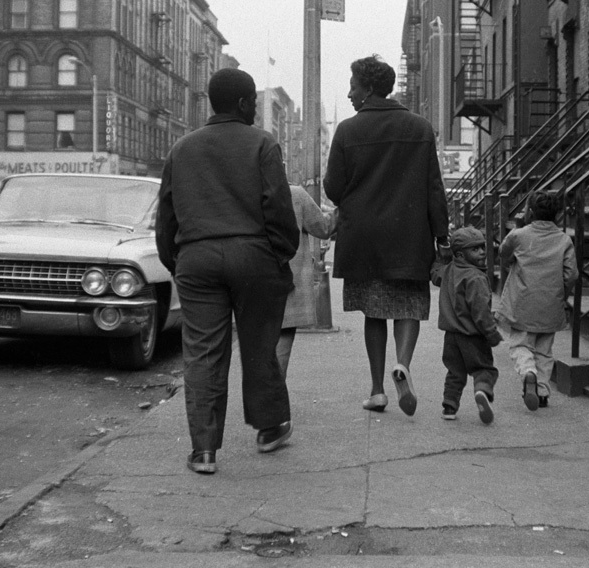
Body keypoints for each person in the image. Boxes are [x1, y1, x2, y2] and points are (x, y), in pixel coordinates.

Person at [156, 67, 300, 475]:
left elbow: (165, 217)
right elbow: (278, 209)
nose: (255, 107)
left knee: (202, 353)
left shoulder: (182, 148)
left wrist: (178, 261)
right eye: (252, 101)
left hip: (196, 258)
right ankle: (269, 429)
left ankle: (204, 451)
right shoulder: (262, 143)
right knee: (259, 345)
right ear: (241, 103)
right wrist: (279, 255)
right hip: (254, 256)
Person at [324, 55, 449, 416]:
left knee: (373, 311)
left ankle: (378, 391)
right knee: (407, 305)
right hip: (410, 237)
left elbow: (333, 188)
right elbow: (434, 189)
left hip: (363, 239)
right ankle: (403, 365)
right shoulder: (420, 128)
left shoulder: (347, 131)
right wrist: (442, 237)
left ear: (368, 88)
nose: (350, 93)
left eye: (353, 86)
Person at [495, 191, 579, 411]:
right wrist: (562, 295)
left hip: (522, 303)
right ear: (557, 215)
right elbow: (571, 274)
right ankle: (541, 392)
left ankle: (528, 372)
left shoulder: (518, 235)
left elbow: (503, 254)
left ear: (530, 212)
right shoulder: (564, 240)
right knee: (544, 350)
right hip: (551, 304)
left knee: (520, 345)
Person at [430, 226, 502, 424]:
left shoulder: (447, 271)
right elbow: (481, 311)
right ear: (461, 254)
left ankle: (449, 407)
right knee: (484, 369)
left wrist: (442, 256)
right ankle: (482, 391)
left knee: (455, 373)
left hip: (451, 337)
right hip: (473, 336)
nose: (482, 252)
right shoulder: (476, 277)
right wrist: (492, 334)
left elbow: (435, 273)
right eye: (475, 249)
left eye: (482, 247)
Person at [276, 184, 337, 378]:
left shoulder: (246, 193)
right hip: (288, 284)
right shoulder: (295, 195)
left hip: (252, 286)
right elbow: (324, 227)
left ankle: (257, 393)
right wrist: (344, 208)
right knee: (281, 346)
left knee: (254, 349)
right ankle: (274, 392)